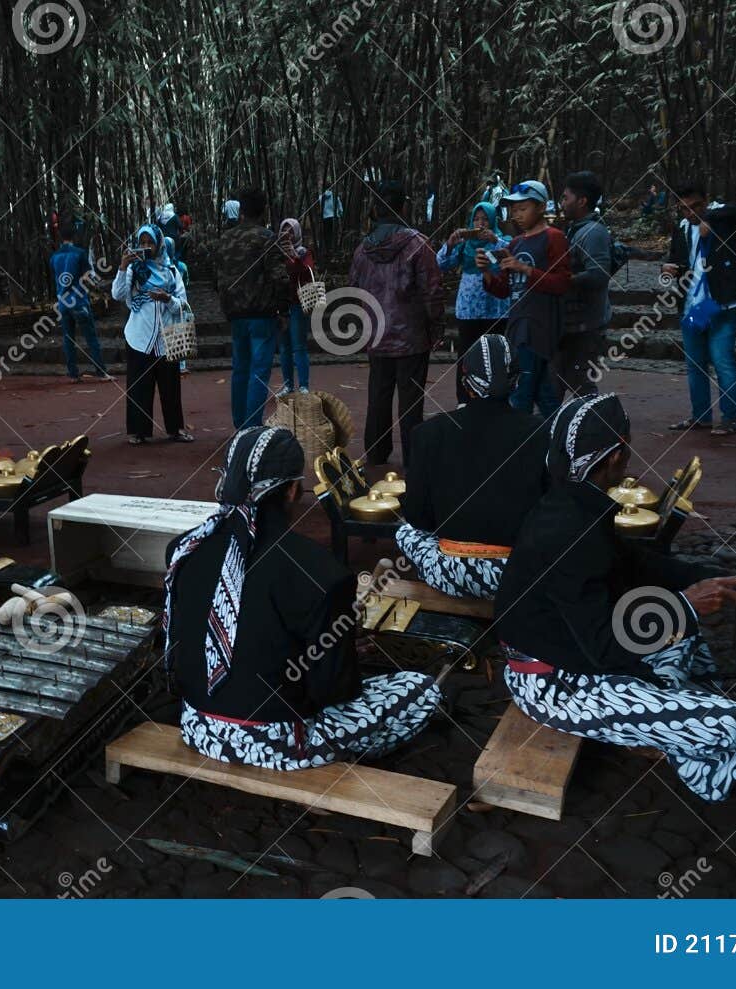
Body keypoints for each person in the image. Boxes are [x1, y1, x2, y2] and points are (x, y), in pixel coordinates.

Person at [493, 393, 736, 801]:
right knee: (731, 725)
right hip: (554, 683)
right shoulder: (568, 526)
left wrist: (710, 576)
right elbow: (601, 648)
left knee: (684, 637)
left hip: (579, 654)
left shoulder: (576, 502)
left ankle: (666, 708)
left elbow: (636, 564)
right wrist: (686, 604)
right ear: (617, 454)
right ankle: (702, 769)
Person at [165, 426, 441, 770]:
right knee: (420, 689)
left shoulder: (183, 550)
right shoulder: (320, 571)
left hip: (197, 727)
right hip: (279, 743)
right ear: (294, 490)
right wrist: (338, 648)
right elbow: (335, 693)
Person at [396, 335, 547, 599]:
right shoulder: (543, 433)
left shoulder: (428, 433)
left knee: (404, 531)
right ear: (517, 381)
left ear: (465, 380)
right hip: (518, 575)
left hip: (449, 573)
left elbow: (418, 517)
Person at [349, 179, 444, 468]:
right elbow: (432, 289)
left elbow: (354, 289)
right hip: (411, 336)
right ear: (403, 206)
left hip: (377, 336)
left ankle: (376, 454)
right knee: (411, 400)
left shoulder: (363, 250)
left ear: (375, 210)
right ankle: (413, 458)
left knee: (378, 396)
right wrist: (435, 325)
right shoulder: (417, 244)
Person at [663, 183, 736, 435]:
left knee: (722, 359)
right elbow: (678, 260)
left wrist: (710, 218)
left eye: (696, 206)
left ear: (706, 201)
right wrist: (668, 269)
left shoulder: (722, 217)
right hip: (694, 303)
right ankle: (701, 416)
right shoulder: (681, 228)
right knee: (695, 363)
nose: (690, 213)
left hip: (723, 302)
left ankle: (731, 418)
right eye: (684, 209)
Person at [481, 179, 571, 417]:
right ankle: (559, 437)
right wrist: (486, 271)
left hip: (539, 324)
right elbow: (503, 289)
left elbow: (561, 283)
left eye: (523, 209)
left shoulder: (554, 237)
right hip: (518, 321)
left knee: (522, 391)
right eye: (513, 210)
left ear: (541, 207)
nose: (516, 215)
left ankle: (516, 445)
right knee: (542, 393)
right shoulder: (515, 242)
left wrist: (525, 269)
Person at [215, 188, 291, 428]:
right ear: (263, 210)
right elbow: (280, 278)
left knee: (240, 370)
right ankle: (252, 427)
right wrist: (284, 310)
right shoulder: (267, 238)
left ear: (241, 212)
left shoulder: (225, 239)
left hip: (236, 314)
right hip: (261, 313)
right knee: (258, 371)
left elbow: (216, 277)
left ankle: (240, 425)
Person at [112, 225, 193, 444]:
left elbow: (183, 304)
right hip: (139, 336)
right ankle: (138, 431)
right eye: (143, 243)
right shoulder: (134, 270)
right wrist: (122, 267)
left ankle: (175, 429)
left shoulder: (172, 271)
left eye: (151, 243)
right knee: (139, 386)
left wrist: (167, 299)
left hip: (167, 337)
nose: (146, 247)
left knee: (171, 386)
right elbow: (118, 295)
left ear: (160, 244)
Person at [438, 201, 511, 403]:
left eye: (485, 219)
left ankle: (496, 399)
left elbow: (513, 254)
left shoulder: (503, 241)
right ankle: (464, 399)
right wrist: (450, 244)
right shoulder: (464, 245)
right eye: (476, 219)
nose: (480, 224)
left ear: (493, 221)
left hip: (496, 307)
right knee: (467, 354)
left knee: (496, 354)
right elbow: (441, 264)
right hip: (469, 309)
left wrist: (494, 239)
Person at [558, 171, 612, 399]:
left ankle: (592, 428)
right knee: (558, 380)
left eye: (565, 197)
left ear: (582, 201)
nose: (562, 202)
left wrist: (563, 281)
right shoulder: (575, 228)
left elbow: (599, 274)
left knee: (581, 384)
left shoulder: (592, 232)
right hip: (571, 323)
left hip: (586, 326)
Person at [48, 229, 111, 382]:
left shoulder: (54, 257)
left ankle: (73, 374)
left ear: (60, 238)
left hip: (63, 303)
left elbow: (56, 279)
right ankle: (101, 372)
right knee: (91, 338)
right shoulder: (80, 253)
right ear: (74, 237)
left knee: (68, 338)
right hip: (79, 301)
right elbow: (88, 275)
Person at [278, 218, 314, 395]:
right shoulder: (275, 253)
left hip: (298, 304)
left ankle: (304, 386)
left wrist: (294, 255)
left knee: (299, 346)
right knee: (284, 347)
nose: (288, 235)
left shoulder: (303, 253)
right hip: (281, 305)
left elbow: (307, 272)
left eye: (291, 231)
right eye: (285, 231)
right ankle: (288, 385)